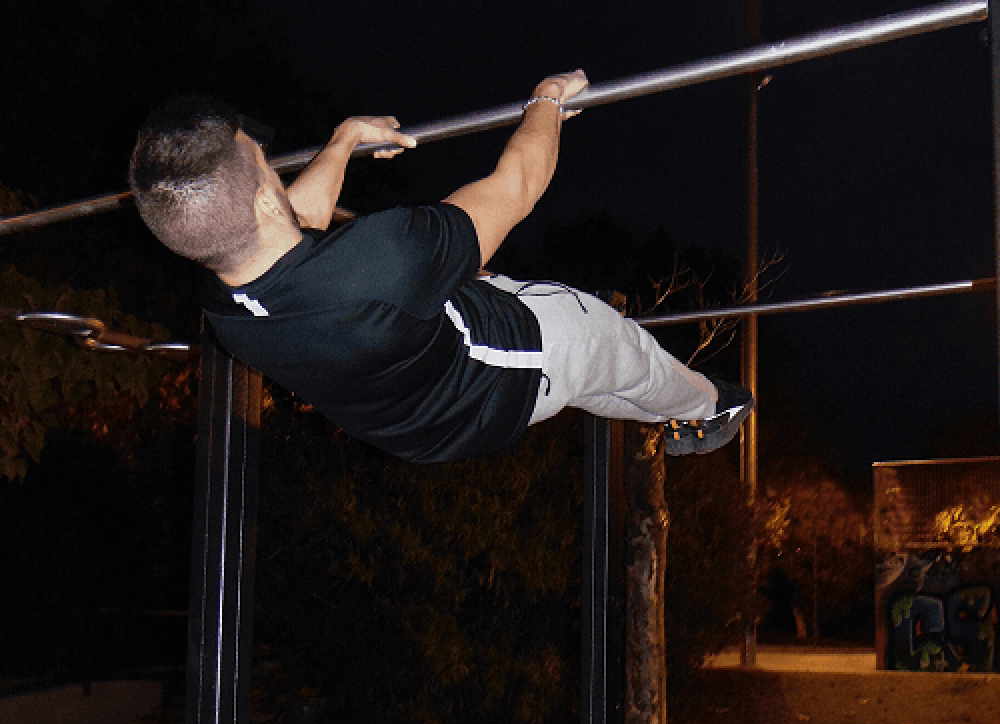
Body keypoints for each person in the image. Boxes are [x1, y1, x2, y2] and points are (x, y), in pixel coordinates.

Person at [128, 70, 752, 463]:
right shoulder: (385, 261)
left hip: (423, 427)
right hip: (503, 367)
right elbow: (518, 185)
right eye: (262, 158)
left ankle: (679, 417)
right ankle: (715, 408)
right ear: (264, 195)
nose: (270, 161)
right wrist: (549, 99)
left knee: (590, 386)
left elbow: (288, 224)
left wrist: (344, 141)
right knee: (612, 347)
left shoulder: (223, 306)